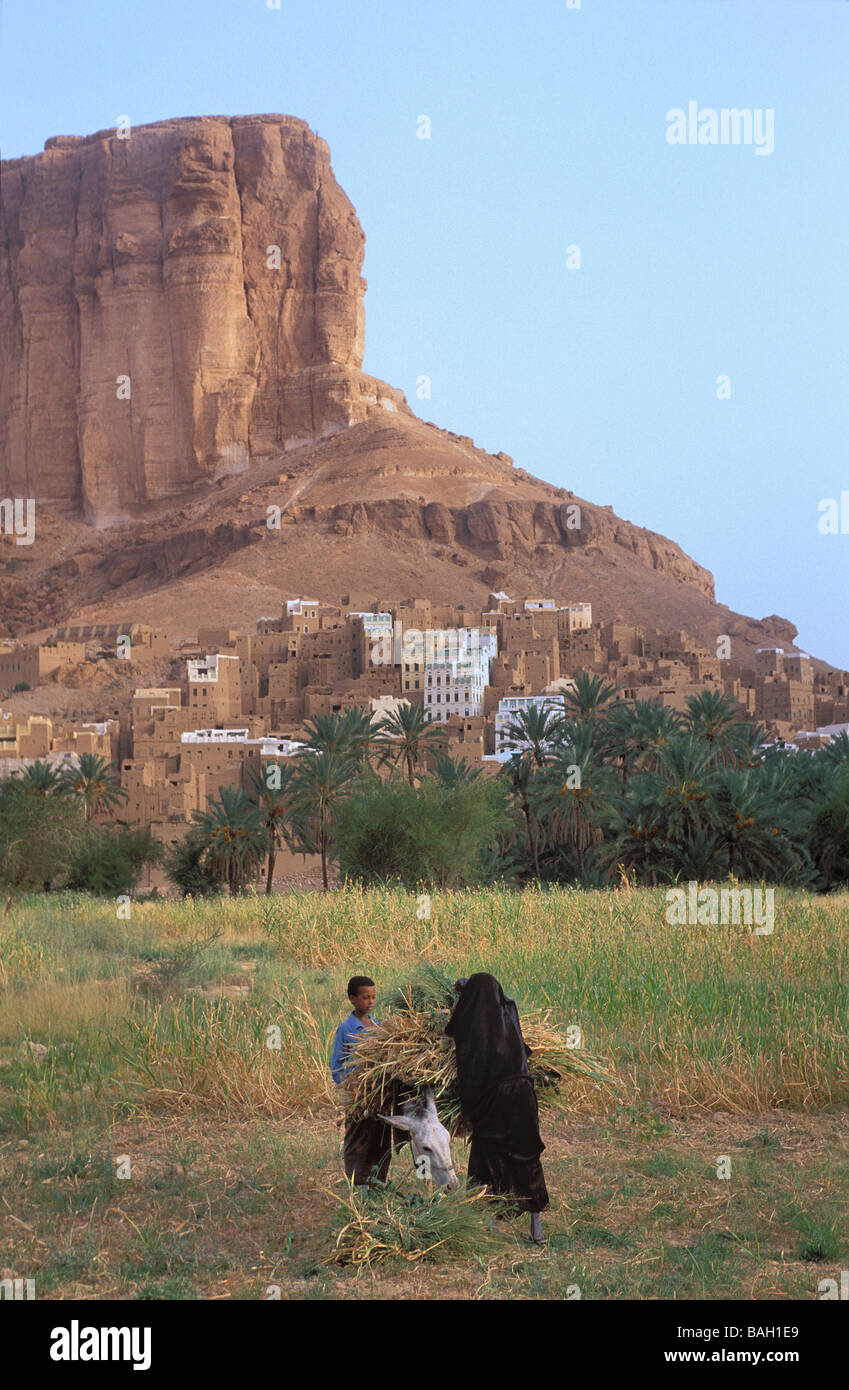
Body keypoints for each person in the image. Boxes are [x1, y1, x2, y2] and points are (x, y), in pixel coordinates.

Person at [445, 972, 549, 1243]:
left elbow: (463, 1048)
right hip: (523, 1095)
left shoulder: (474, 1023)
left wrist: (468, 1109)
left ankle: (491, 1225)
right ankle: (536, 1229)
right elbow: (523, 1050)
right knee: (526, 1156)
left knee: (488, 1156)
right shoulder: (508, 1012)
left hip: (494, 1098)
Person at [331, 975, 398, 1189]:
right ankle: (357, 1182)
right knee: (357, 1139)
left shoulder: (379, 1028)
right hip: (358, 1098)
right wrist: (350, 1086)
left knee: (380, 1139)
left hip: (379, 1097)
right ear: (352, 999)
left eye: (373, 997)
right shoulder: (347, 1029)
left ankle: (378, 1181)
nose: (370, 1001)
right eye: (365, 997)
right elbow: (337, 1067)